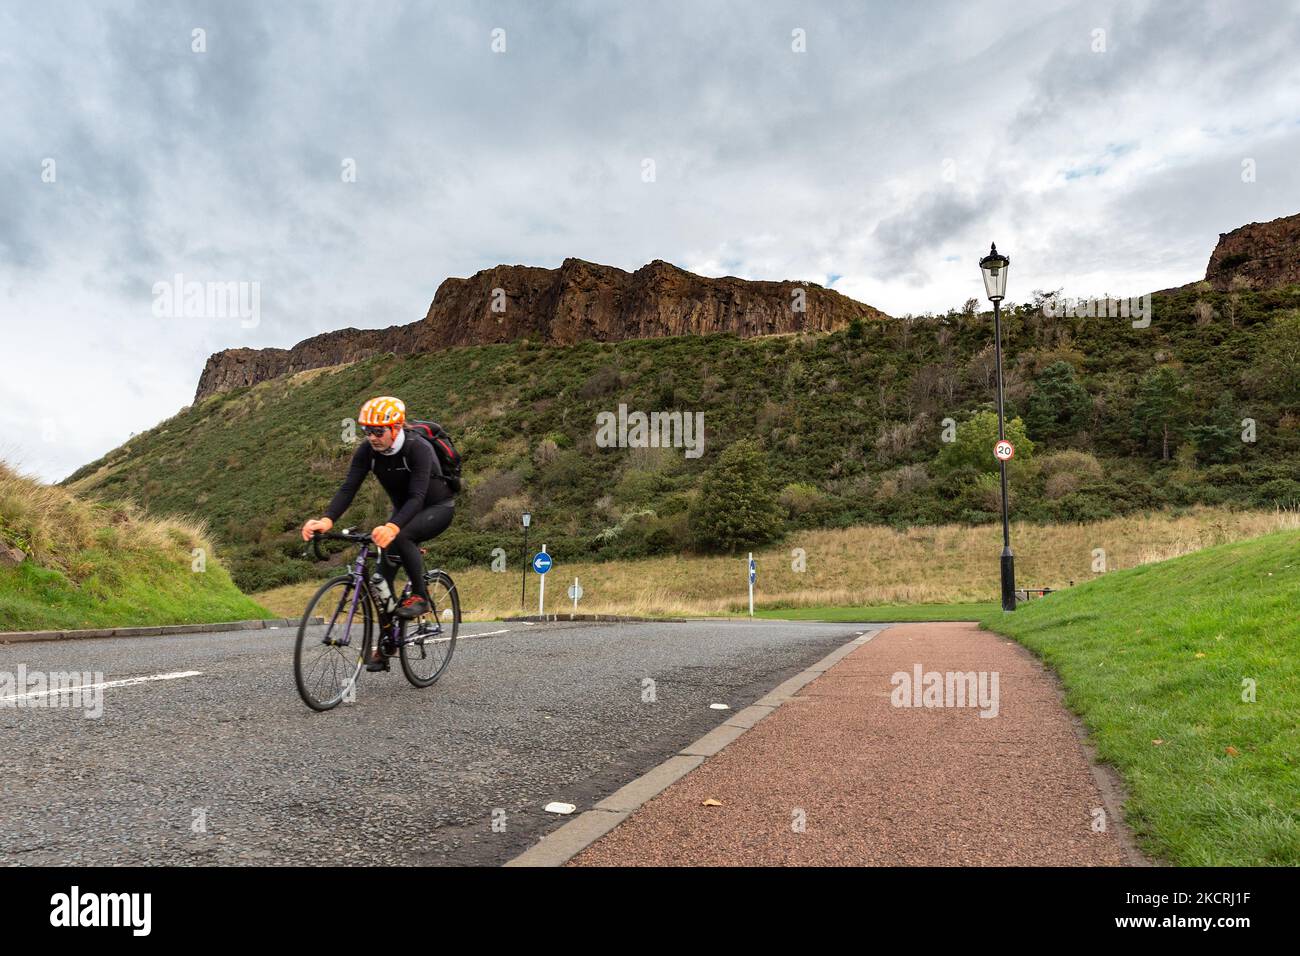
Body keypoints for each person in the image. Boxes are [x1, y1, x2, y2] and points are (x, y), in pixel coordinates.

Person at [301, 397, 455, 667]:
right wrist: (326, 520)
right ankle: (387, 644)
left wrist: (393, 527)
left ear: (396, 428)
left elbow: (417, 496)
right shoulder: (367, 452)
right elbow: (348, 488)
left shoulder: (417, 448)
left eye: (378, 431)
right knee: (378, 580)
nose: (372, 437)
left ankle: (421, 596)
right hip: (402, 512)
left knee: (404, 535)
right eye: (366, 430)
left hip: (436, 507)